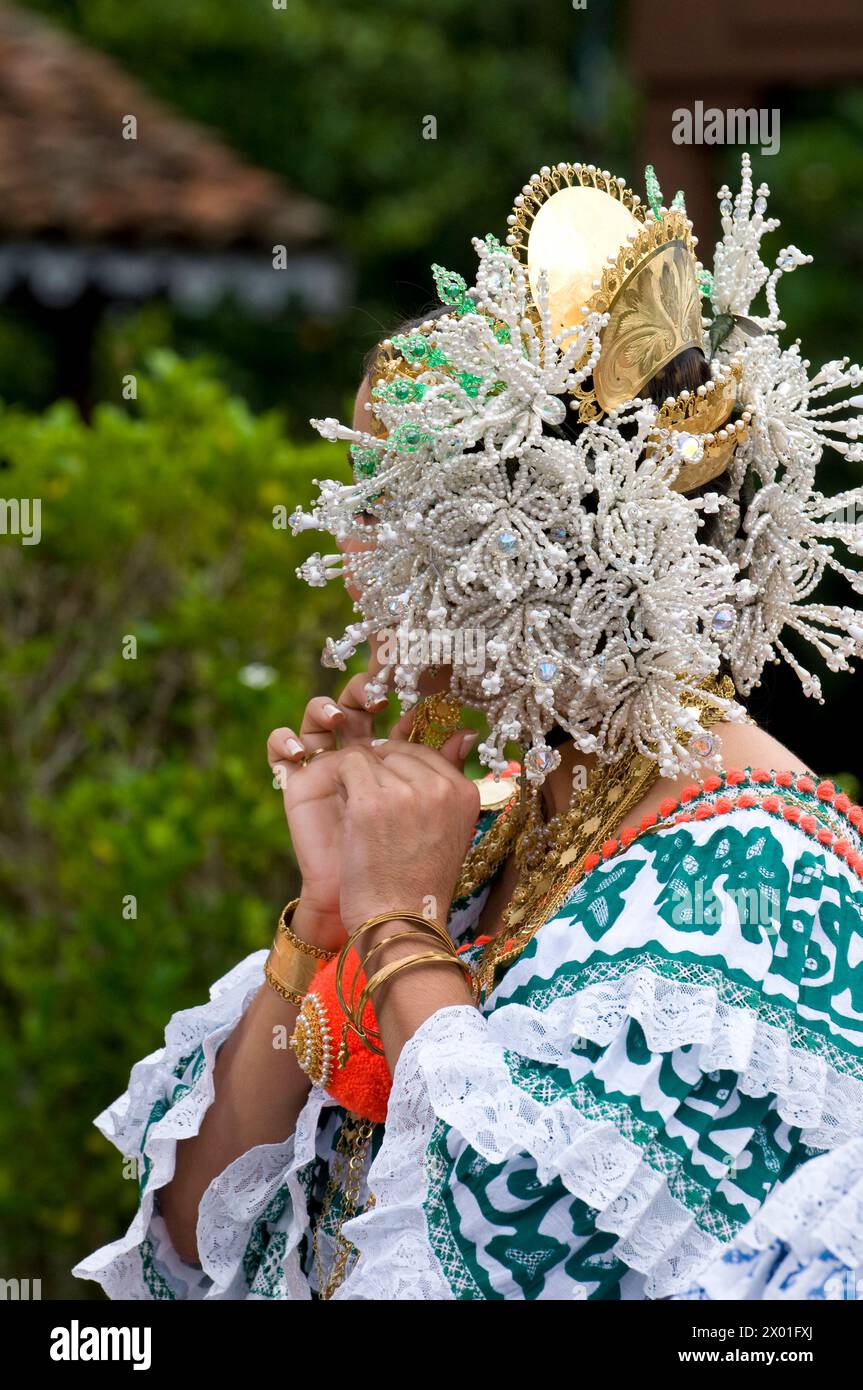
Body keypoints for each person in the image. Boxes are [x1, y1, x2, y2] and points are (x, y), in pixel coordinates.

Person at [74, 157, 863, 1300]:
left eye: (383, 508)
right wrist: (325, 923)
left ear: (531, 539)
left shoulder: (758, 870)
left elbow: (520, 1256)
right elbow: (191, 1245)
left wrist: (400, 931)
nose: (348, 557)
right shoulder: (489, 825)